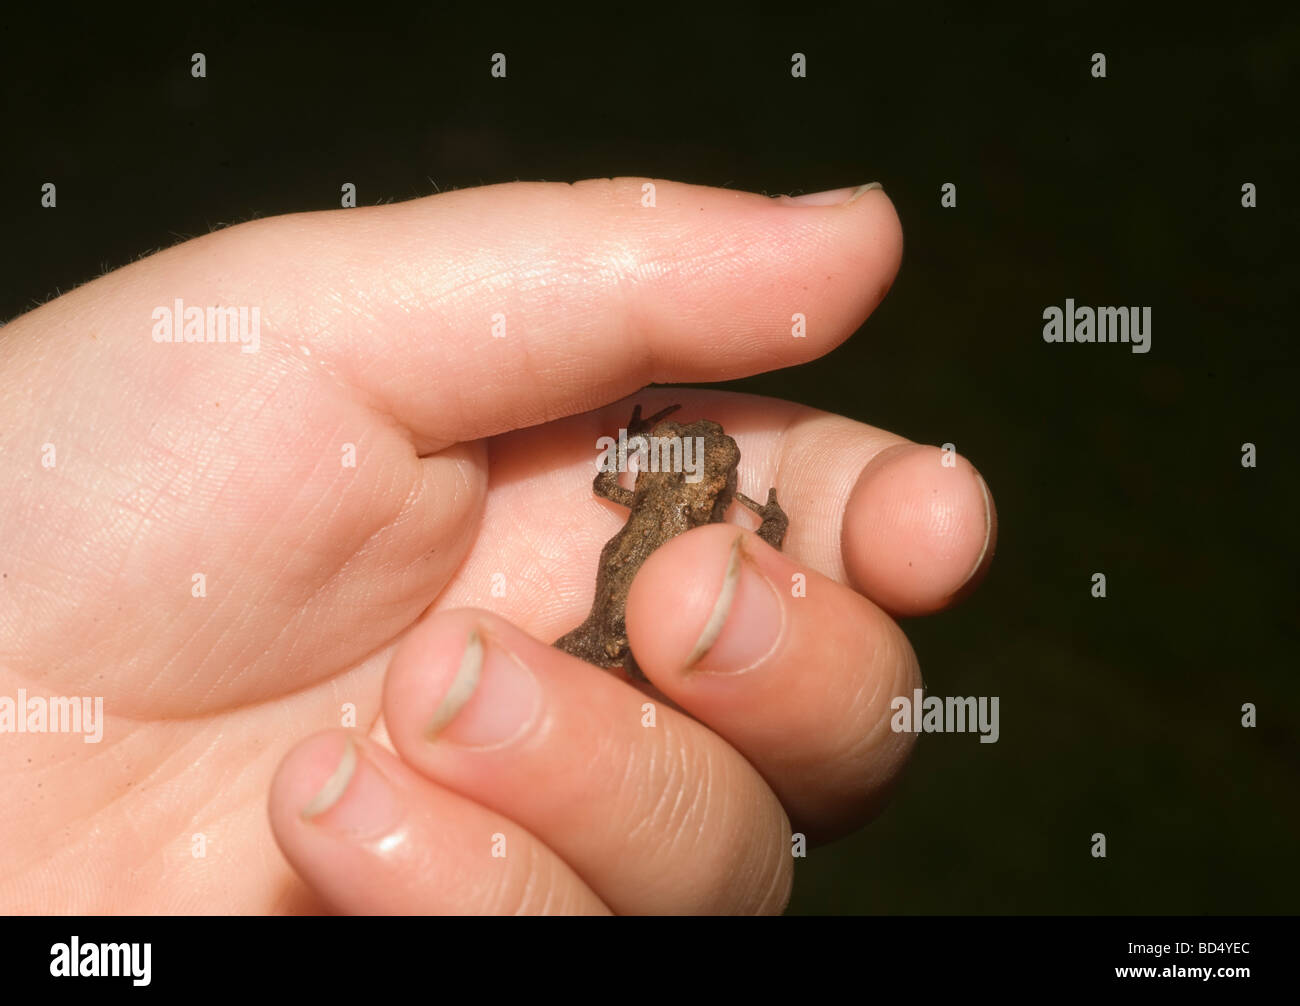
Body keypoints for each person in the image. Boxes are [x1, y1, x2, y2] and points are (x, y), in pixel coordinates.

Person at [0, 178, 995, 914]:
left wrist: (728, 506)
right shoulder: (684, 510)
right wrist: (715, 489)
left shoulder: (694, 524)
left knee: (612, 705)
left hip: (616, 631)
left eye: (717, 469)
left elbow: (669, 509)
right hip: (608, 625)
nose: (716, 472)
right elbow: (641, 493)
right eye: (711, 468)